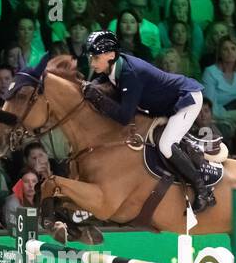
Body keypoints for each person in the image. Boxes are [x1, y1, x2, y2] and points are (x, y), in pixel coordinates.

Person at [79, 31, 214, 212]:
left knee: (166, 145)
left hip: (185, 100)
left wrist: (97, 97)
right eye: (90, 57)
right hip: (165, 104)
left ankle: (202, 189)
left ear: (111, 55)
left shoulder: (130, 73)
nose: (91, 62)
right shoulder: (114, 66)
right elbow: (104, 81)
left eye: (95, 57)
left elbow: (125, 116)